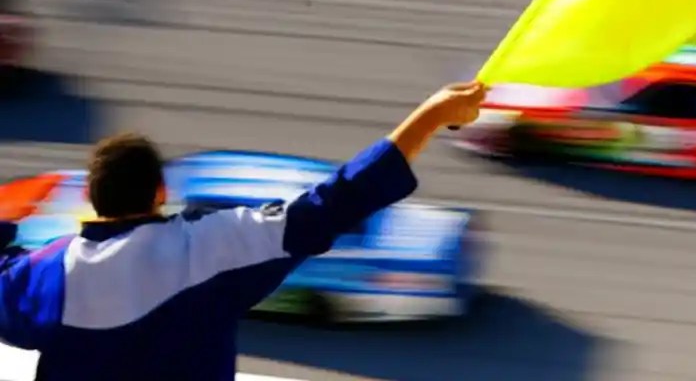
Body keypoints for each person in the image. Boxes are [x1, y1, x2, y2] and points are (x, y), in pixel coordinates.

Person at [0, 80, 488, 381]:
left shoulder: (44, 273)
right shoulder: (213, 245)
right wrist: (431, 117)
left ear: (92, 195)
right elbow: (333, 203)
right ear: (160, 192)